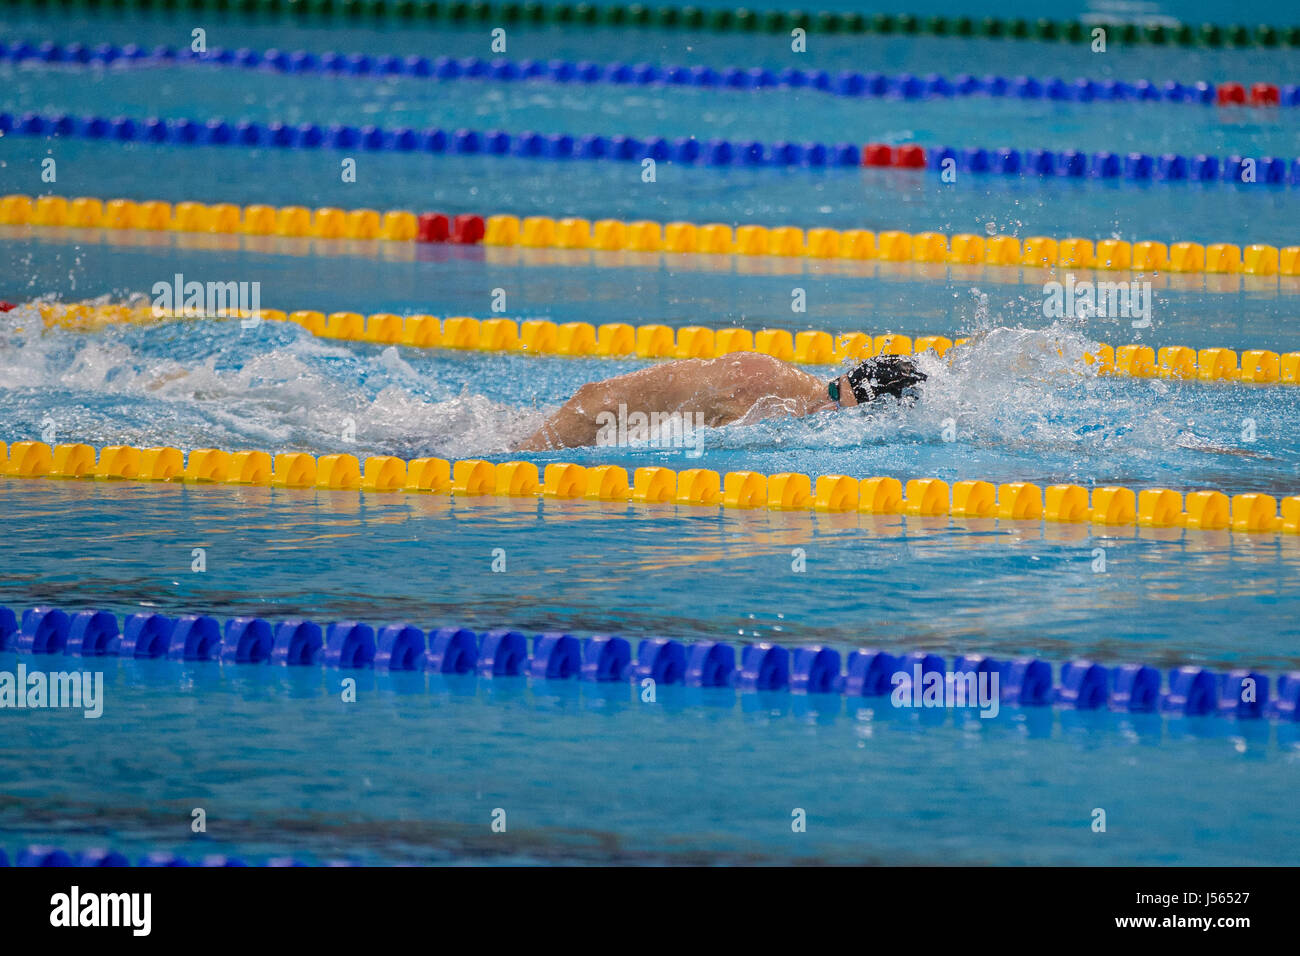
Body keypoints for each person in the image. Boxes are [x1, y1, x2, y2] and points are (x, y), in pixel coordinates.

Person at [517, 351, 926, 450]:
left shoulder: (795, 396)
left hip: (603, 413)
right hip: (594, 417)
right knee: (512, 451)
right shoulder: (765, 387)